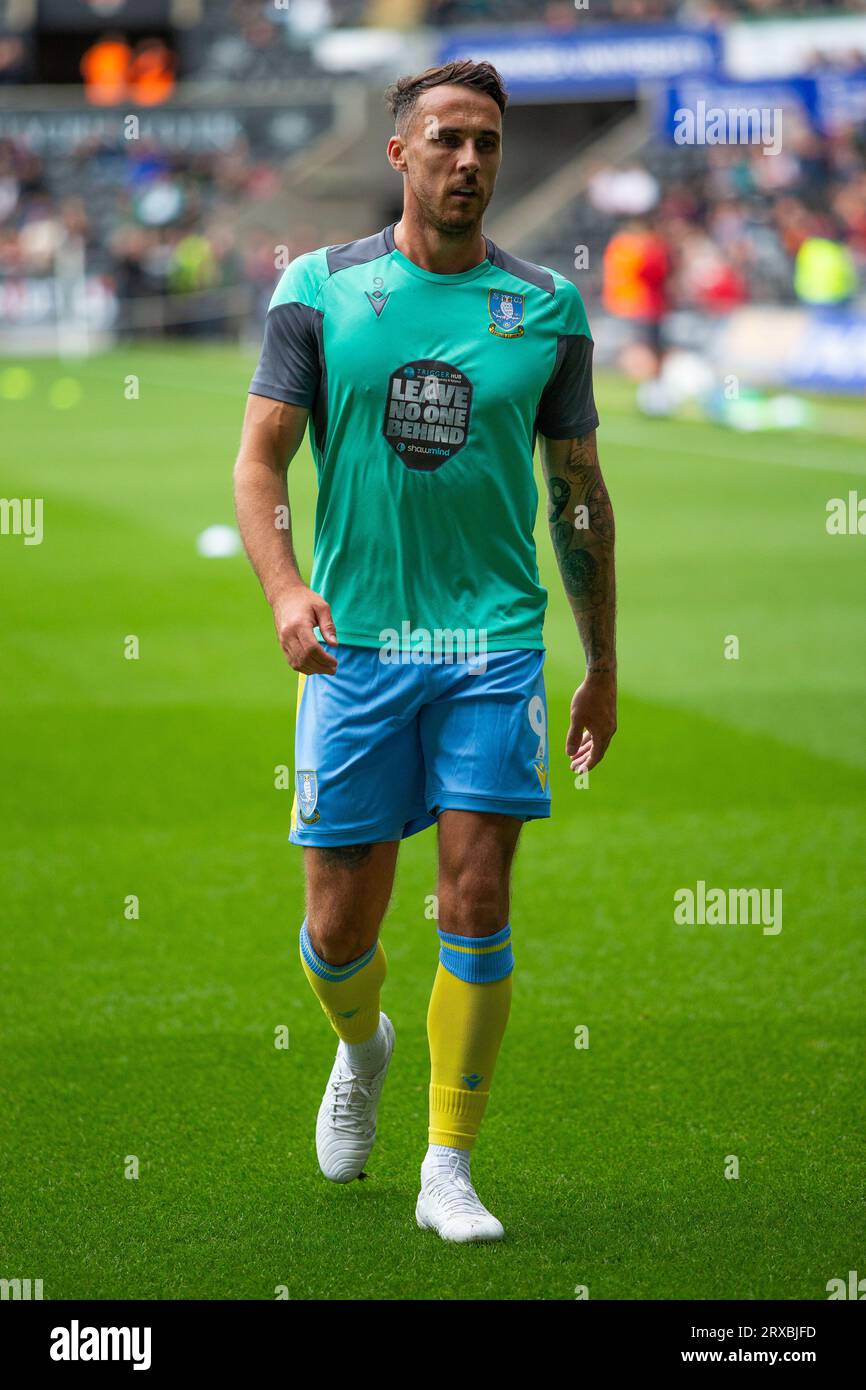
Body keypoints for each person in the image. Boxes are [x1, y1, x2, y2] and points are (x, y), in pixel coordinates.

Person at [234, 59, 617, 1243]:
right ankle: (362, 1047)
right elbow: (260, 463)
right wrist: (287, 588)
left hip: (492, 647)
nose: (467, 162)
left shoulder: (546, 310)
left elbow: (579, 497)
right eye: (446, 139)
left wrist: (600, 658)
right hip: (357, 647)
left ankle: (447, 1163)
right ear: (398, 153)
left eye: (486, 144)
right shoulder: (320, 289)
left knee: (477, 893)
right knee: (341, 929)